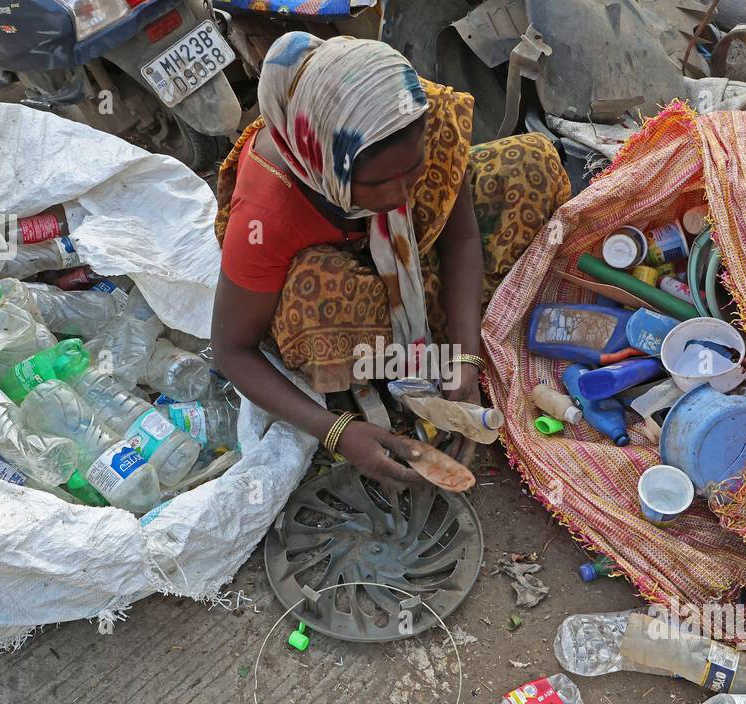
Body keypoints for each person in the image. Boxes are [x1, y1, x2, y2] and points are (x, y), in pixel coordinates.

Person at [211, 32, 569, 489]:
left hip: (411, 254)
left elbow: (458, 239)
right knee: (312, 290)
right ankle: (399, 366)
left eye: (412, 171)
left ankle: (446, 345)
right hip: (348, 287)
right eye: (377, 183)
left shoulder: (412, 115)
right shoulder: (266, 216)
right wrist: (338, 433)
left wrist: (465, 357)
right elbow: (231, 350)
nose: (402, 194)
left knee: (531, 162)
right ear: (328, 165)